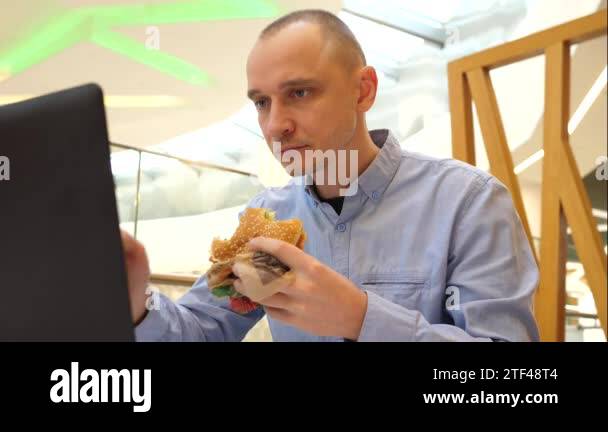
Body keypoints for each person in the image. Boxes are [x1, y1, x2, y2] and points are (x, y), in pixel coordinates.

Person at [123, 9, 540, 342]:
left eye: (299, 93)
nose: (274, 125)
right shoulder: (266, 217)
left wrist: (361, 318)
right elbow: (204, 330)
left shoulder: (468, 203)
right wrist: (135, 302)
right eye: (262, 102)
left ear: (363, 91)